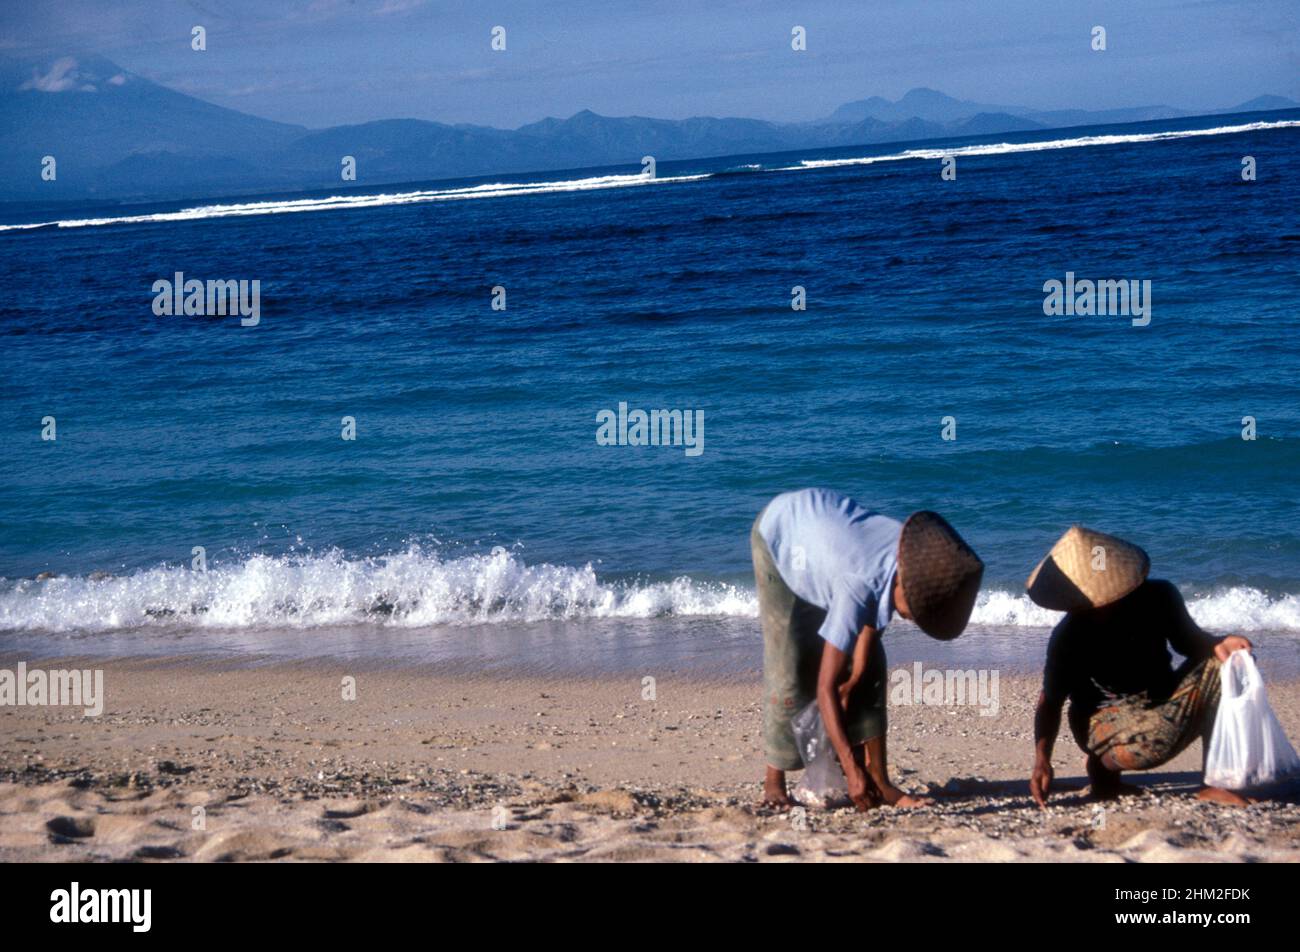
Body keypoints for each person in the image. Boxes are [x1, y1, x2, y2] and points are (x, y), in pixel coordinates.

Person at [751, 487, 984, 810]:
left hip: (828, 543)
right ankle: (773, 780)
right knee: (791, 663)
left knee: (872, 666)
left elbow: (869, 633)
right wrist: (850, 766)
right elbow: (825, 686)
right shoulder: (858, 586)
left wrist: (857, 676)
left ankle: (880, 780)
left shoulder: (908, 559)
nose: (912, 617)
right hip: (780, 537)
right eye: (914, 609)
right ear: (902, 583)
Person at [1026, 526, 1255, 807]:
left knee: (1227, 664)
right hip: (1100, 717)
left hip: (1161, 695)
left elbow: (1190, 643)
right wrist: (1042, 761)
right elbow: (1050, 702)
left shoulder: (1160, 596)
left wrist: (1222, 643)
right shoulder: (1069, 636)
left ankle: (1214, 782)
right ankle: (1103, 768)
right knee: (1156, 739)